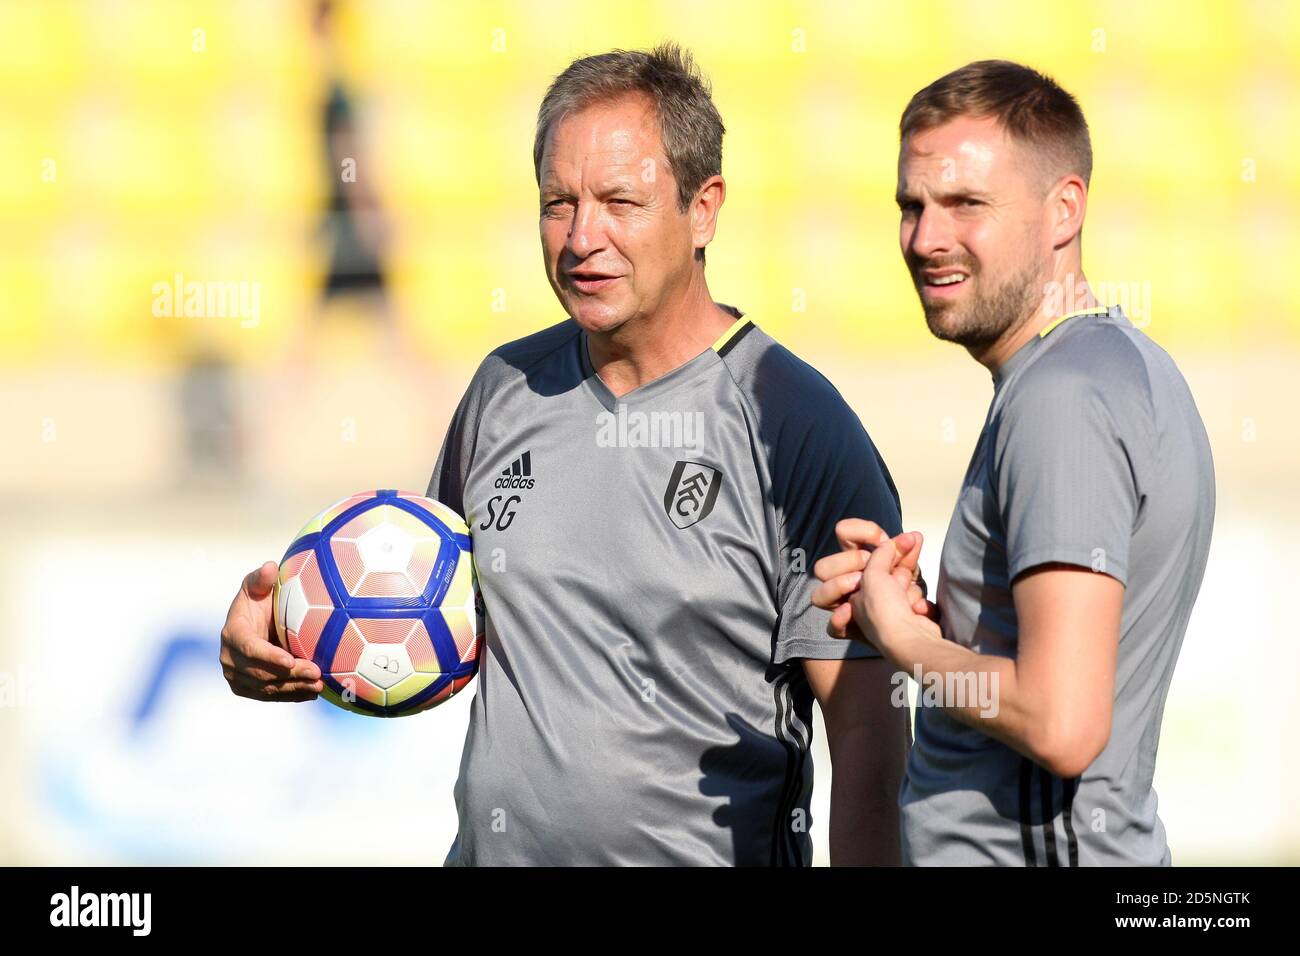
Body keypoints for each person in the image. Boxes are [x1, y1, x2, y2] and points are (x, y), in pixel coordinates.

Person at [221, 44, 909, 866]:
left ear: (704, 209)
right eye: (558, 204)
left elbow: (868, 743)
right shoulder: (504, 389)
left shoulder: (794, 424)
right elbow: (421, 610)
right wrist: (281, 632)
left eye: (621, 201)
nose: (584, 237)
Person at [813, 60, 1215, 866]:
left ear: (1063, 210)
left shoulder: (1061, 397)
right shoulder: (1114, 367)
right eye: (912, 206)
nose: (927, 239)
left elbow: (1063, 724)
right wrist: (941, 629)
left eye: (965, 204)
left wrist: (908, 646)